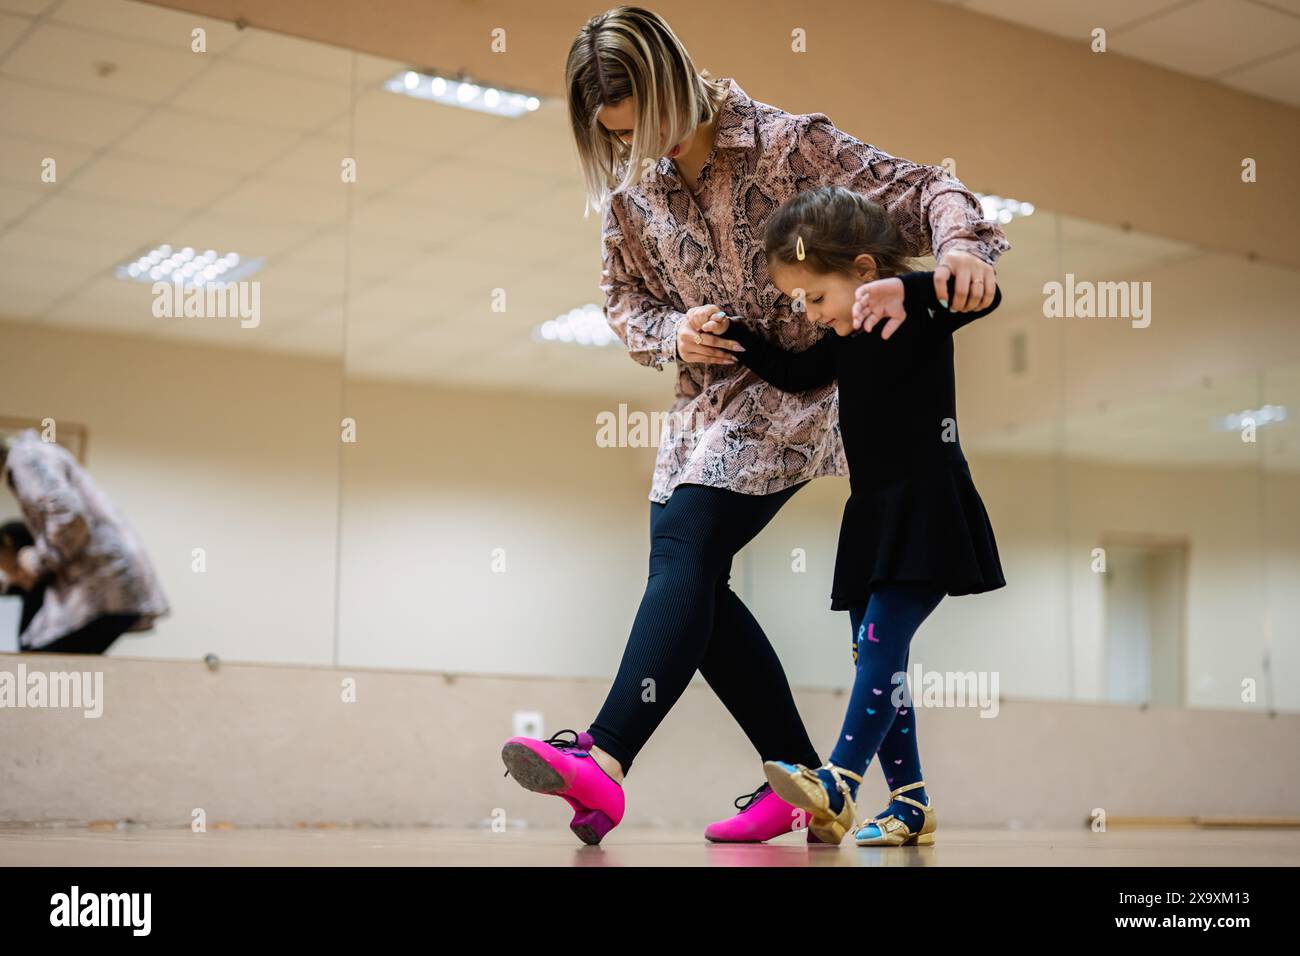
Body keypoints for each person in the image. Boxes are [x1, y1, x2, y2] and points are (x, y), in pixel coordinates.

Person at [500, 5, 1009, 845]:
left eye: (650, 128)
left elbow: (929, 188)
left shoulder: (786, 143)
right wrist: (674, 331)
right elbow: (624, 301)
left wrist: (957, 249)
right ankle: (797, 776)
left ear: (676, 83)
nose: (646, 152)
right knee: (693, 580)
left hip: (801, 394)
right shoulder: (632, 191)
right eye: (623, 138)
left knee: (686, 551)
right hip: (706, 402)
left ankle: (606, 755)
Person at [711, 185, 1005, 844]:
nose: (812, 314)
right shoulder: (843, 338)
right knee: (875, 658)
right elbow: (795, 372)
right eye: (801, 303)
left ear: (865, 273)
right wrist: (734, 337)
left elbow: (986, 293)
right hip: (871, 514)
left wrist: (918, 289)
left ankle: (840, 780)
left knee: (880, 648)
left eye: (816, 297)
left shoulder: (913, 315)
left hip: (927, 504)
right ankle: (910, 803)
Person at [0, 430, 169, 654]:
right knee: (38, 655)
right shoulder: (30, 455)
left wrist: (37, 560)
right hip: (103, 583)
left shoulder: (27, 459)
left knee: (39, 663)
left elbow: (68, 517)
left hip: (105, 584)